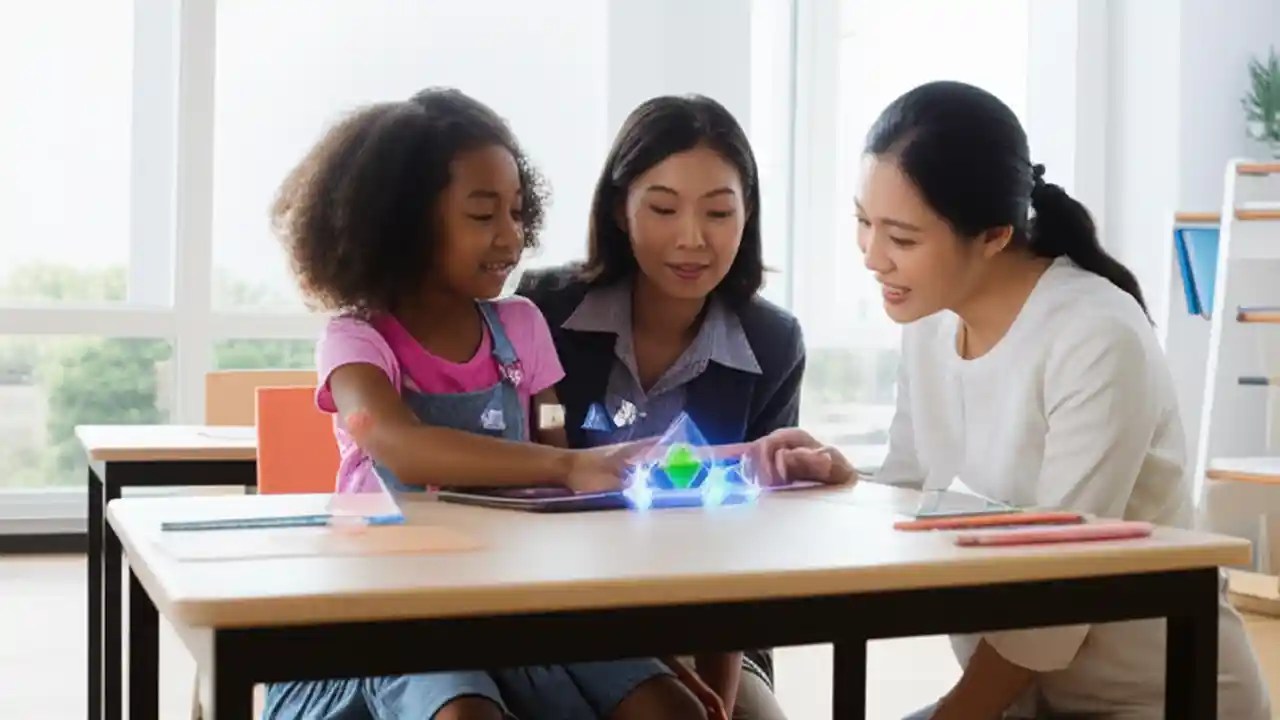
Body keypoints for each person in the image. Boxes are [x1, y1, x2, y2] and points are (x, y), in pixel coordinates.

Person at [766, 80, 1272, 719]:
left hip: (1161, 699)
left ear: (994, 235)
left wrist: (954, 714)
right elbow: (911, 492)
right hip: (1028, 703)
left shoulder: (1095, 335)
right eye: (864, 223)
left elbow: (1058, 595)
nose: (872, 257)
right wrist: (843, 480)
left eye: (902, 238)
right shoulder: (930, 320)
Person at [264, 87, 707, 720]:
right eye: (482, 215)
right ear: (404, 220)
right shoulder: (357, 342)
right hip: (394, 607)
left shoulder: (521, 327)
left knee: (668, 708)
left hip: (513, 589)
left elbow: (551, 428)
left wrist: (565, 452)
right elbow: (400, 445)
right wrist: (558, 466)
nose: (511, 237)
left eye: (517, 212)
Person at [518, 94, 812, 720]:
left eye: (718, 212)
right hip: (557, 619)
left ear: (747, 214)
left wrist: (718, 703)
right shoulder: (544, 309)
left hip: (709, 628)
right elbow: (521, 482)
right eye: (662, 208)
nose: (692, 240)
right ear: (621, 211)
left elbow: (752, 539)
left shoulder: (772, 342)